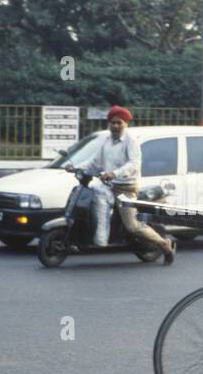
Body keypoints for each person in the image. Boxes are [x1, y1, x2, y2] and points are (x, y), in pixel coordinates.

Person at [67, 105, 175, 263]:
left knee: (132, 226)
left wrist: (114, 173)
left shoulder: (131, 142)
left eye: (119, 123)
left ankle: (164, 244)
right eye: (113, 122)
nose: (115, 126)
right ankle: (98, 239)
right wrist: (76, 166)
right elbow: (94, 161)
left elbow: (134, 164)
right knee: (92, 202)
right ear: (109, 124)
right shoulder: (106, 141)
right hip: (109, 186)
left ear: (126, 124)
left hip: (126, 188)